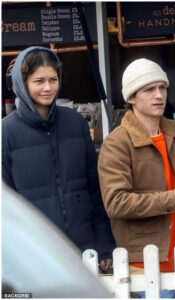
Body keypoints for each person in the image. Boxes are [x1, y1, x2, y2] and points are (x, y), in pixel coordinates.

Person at [2, 46, 116, 271]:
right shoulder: (6, 132)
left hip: (86, 250)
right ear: (22, 85)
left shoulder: (75, 122)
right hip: (36, 254)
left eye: (53, 79)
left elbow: (95, 189)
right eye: (39, 81)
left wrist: (104, 243)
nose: (48, 88)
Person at [98, 58, 175, 298]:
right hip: (147, 263)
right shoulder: (117, 143)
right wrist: (172, 198)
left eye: (162, 87)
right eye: (148, 89)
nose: (158, 95)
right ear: (131, 97)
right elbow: (116, 203)